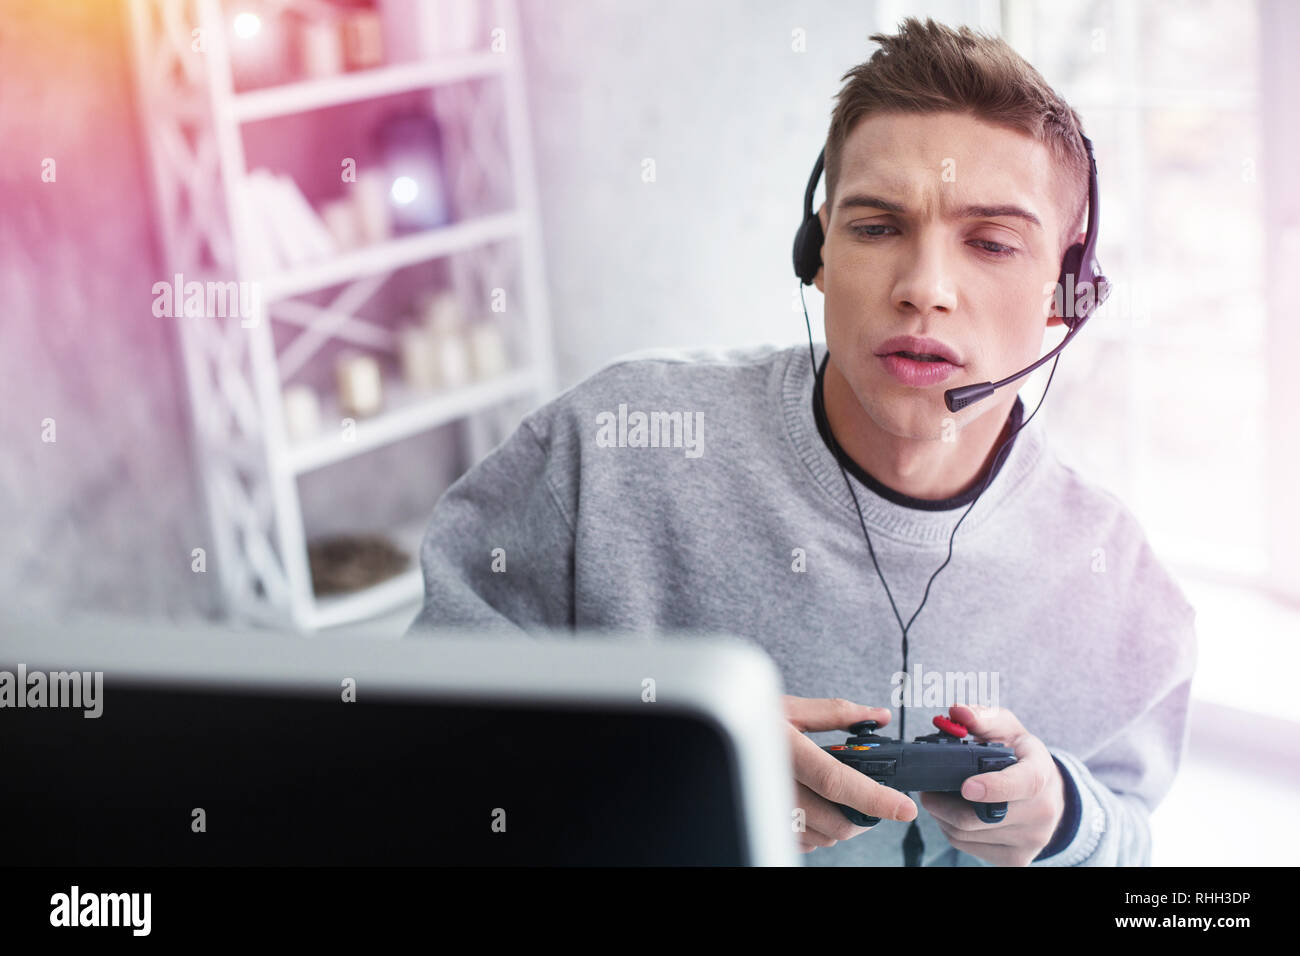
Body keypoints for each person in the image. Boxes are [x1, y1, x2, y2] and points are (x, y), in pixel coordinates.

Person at [404, 17, 1197, 867]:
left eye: (992, 243)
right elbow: (423, 746)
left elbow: (1130, 842)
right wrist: (668, 771)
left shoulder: (1116, 582)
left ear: (1065, 294)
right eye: (877, 227)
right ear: (817, 253)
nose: (924, 289)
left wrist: (1064, 821)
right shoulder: (608, 449)